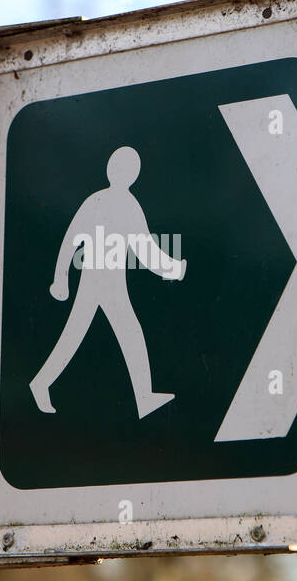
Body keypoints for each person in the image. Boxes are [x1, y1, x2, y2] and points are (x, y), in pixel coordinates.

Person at [29, 146, 186, 418]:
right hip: (99, 281)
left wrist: (171, 267)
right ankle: (42, 383)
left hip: (108, 281)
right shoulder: (113, 203)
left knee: (109, 333)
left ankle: (143, 396)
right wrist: (173, 268)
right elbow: (76, 239)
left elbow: (140, 246)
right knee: (93, 334)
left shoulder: (103, 201)